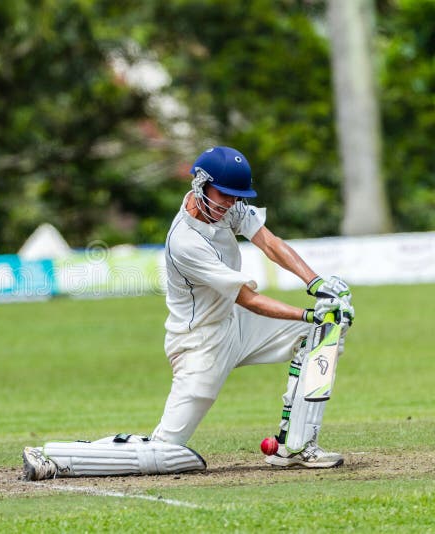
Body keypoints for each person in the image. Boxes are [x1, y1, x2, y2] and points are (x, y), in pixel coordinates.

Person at [22, 146, 354, 481]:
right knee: (166, 450)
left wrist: (317, 283)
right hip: (200, 343)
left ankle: (295, 446)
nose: (228, 203)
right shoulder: (185, 242)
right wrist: (309, 314)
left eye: (235, 196)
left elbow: (269, 242)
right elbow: (247, 298)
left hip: (234, 323)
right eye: (223, 194)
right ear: (201, 184)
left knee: (326, 329)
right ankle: (60, 458)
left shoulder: (227, 208)